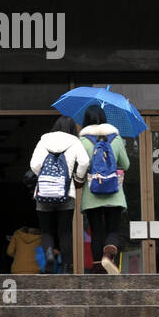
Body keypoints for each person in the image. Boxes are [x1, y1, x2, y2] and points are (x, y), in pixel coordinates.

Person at [29, 115, 89, 272]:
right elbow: (84, 162)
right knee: (65, 231)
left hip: (44, 192)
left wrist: (44, 176)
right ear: (71, 129)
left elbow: (34, 164)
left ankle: (49, 254)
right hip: (66, 193)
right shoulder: (75, 142)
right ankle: (67, 267)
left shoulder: (44, 141)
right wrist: (77, 177)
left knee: (46, 230)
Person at [78, 104, 130, 275]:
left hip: (92, 193)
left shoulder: (83, 140)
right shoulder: (115, 138)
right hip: (113, 191)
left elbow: (81, 166)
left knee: (96, 230)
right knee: (112, 229)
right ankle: (109, 253)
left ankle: (98, 268)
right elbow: (126, 164)